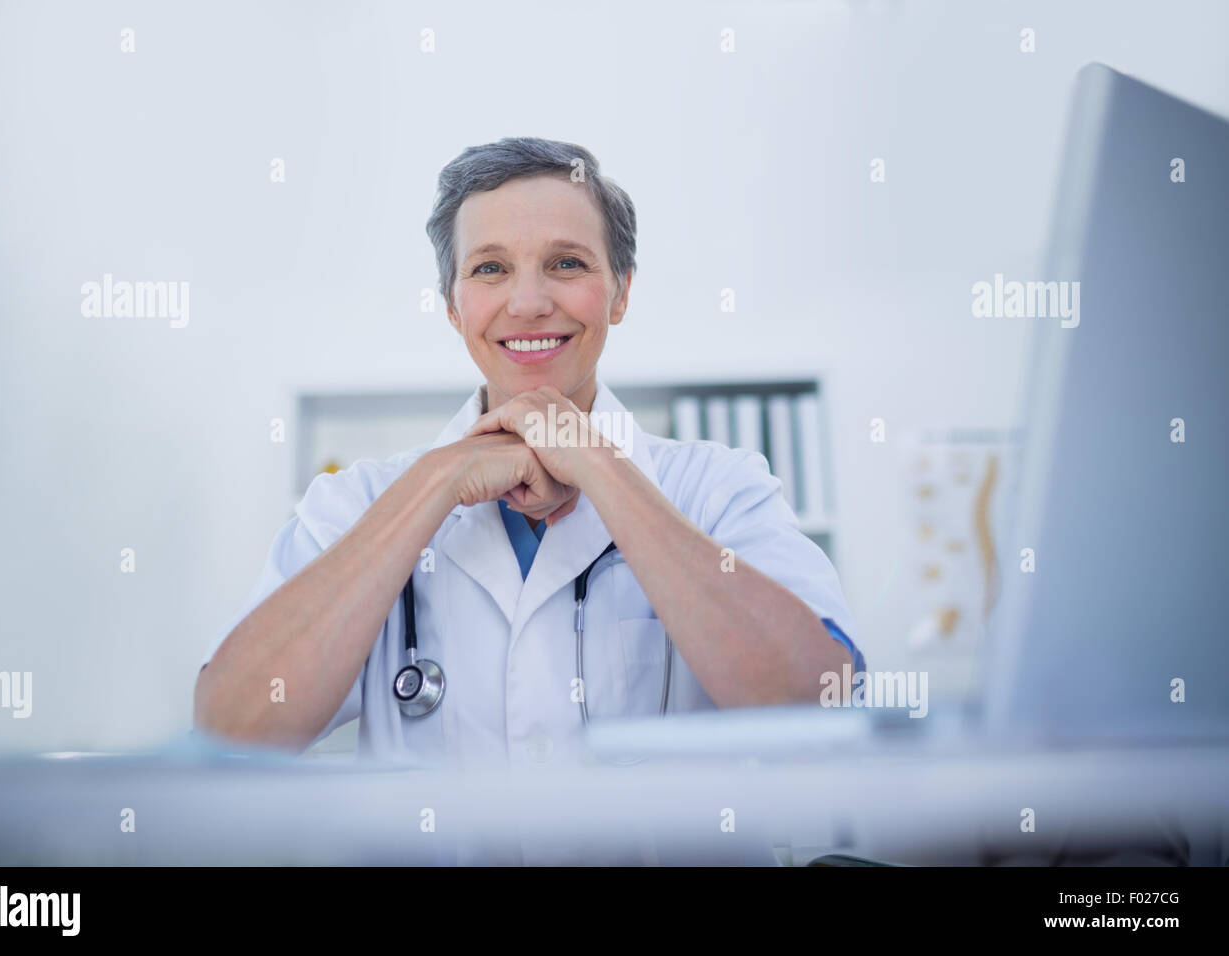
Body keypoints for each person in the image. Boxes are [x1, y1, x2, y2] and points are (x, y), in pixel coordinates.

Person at [193, 136, 864, 766]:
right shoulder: (356, 503)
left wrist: (602, 469)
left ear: (622, 290)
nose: (529, 301)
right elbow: (233, 729)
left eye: (566, 264)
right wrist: (437, 482)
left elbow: (818, 704)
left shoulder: (719, 489)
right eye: (490, 269)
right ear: (453, 307)